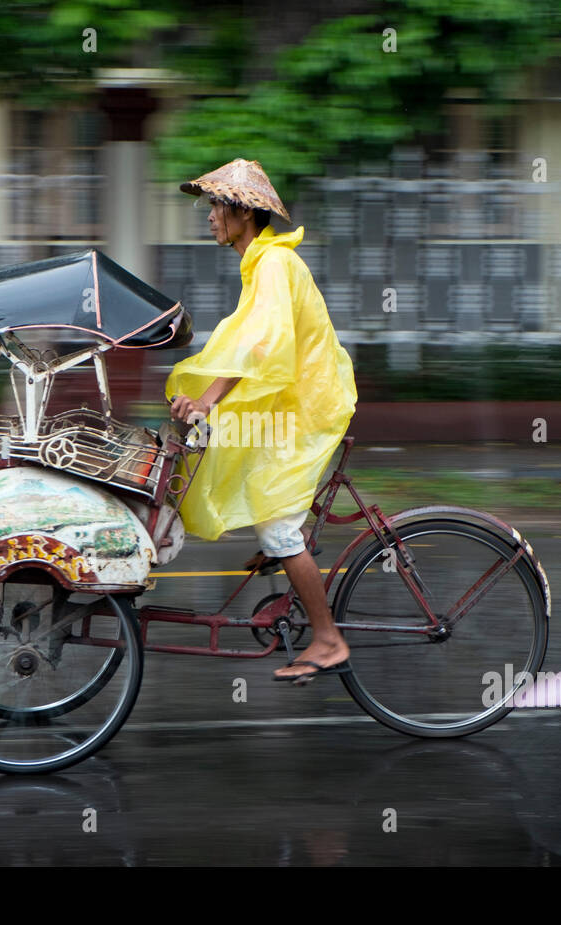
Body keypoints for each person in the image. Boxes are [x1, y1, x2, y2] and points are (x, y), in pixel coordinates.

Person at [165, 158, 358, 684]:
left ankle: (328, 640)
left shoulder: (273, 265)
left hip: (305, 408)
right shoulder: (264, 262)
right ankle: (286, 543)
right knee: (237, 459)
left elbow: (260, 344)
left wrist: (206, 399)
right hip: (291, 403)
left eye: (216, 208)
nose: (209, 218)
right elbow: (252, 343)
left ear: (243, 214)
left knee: (277, 524)